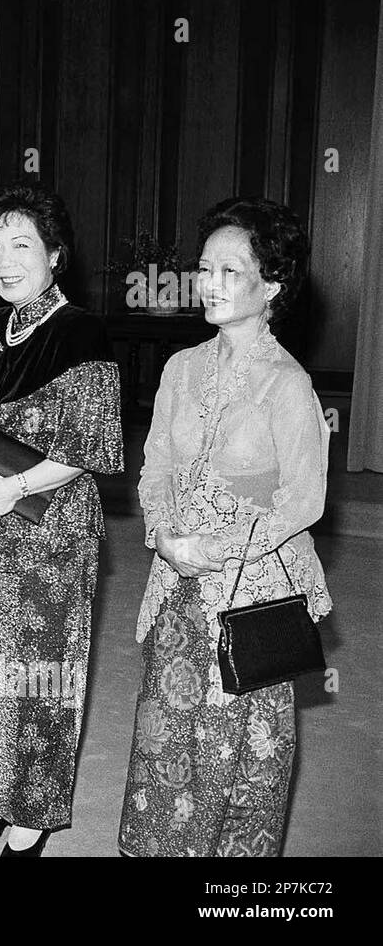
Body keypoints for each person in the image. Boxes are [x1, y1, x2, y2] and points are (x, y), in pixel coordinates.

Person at [117, 197, 332, 857]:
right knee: (163, 747)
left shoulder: (287, 385)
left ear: (272, 286)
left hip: (250, 602)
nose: (208, 282)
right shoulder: (179, 370)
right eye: (203, 268)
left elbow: (304, 500)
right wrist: (165, 538)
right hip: (176, 592)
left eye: (229, 271)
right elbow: (152, 470)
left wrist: (226, 548)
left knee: (236, 761)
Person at [0, 180, 123, 855]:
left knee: (43, 674)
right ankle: (3, 792)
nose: (6, 259)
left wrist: (10, 488)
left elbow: (87, 445)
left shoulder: (81, 331)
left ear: (55, 254)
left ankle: (34, 813)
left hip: (54, 531)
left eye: (23, 244)